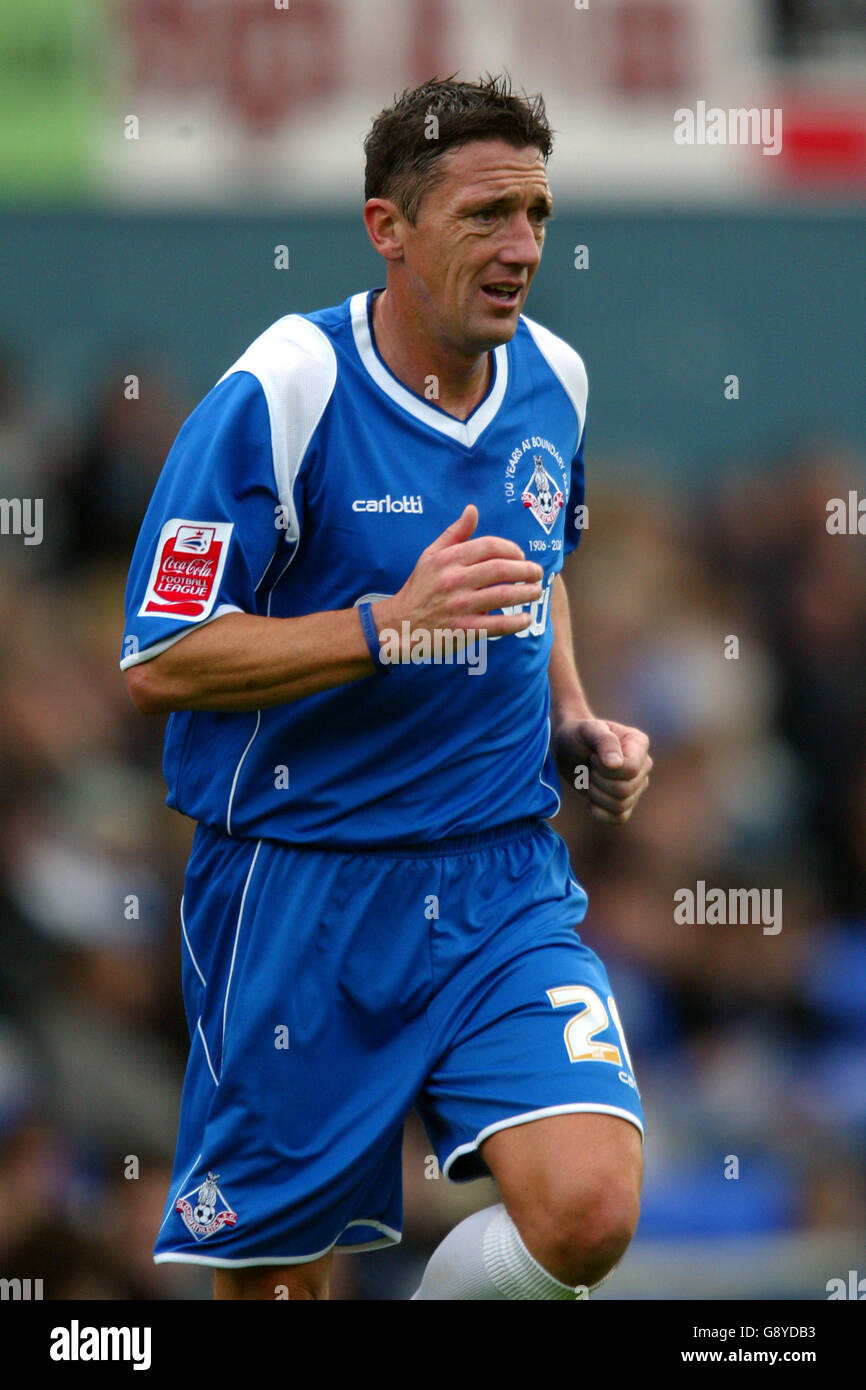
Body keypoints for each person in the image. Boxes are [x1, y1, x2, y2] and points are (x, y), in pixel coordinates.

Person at [120, 74, 652, 1301]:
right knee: (276, 1289)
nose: (521, 247)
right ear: (388, 226)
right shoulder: (283, 390)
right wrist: (381, 628)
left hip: (497, 875)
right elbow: (159, 657)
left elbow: (536, 566)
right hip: (299, 888)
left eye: (536, 213)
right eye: (484, 215)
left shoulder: (551, 380)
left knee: (585, 1210)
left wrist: (569, 713)